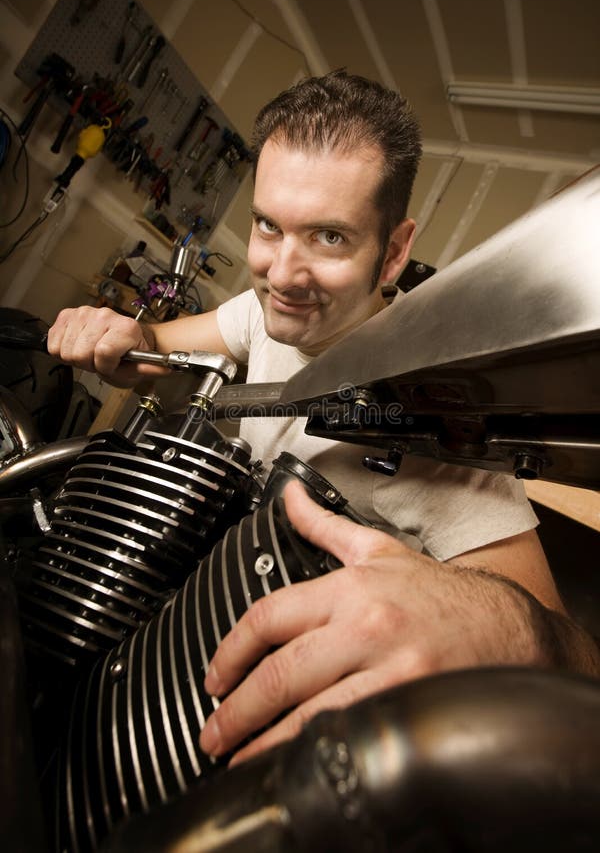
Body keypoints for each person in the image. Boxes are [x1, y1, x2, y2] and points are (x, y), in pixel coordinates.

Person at [47, 71, 599, 761]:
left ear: (393, 251)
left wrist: (488, 621)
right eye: (268, 226)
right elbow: (158, 346)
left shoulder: (441, 427)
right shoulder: (265, 312)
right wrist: (122, 337)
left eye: (330, 237)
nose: (282, 274)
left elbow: (577, 668)